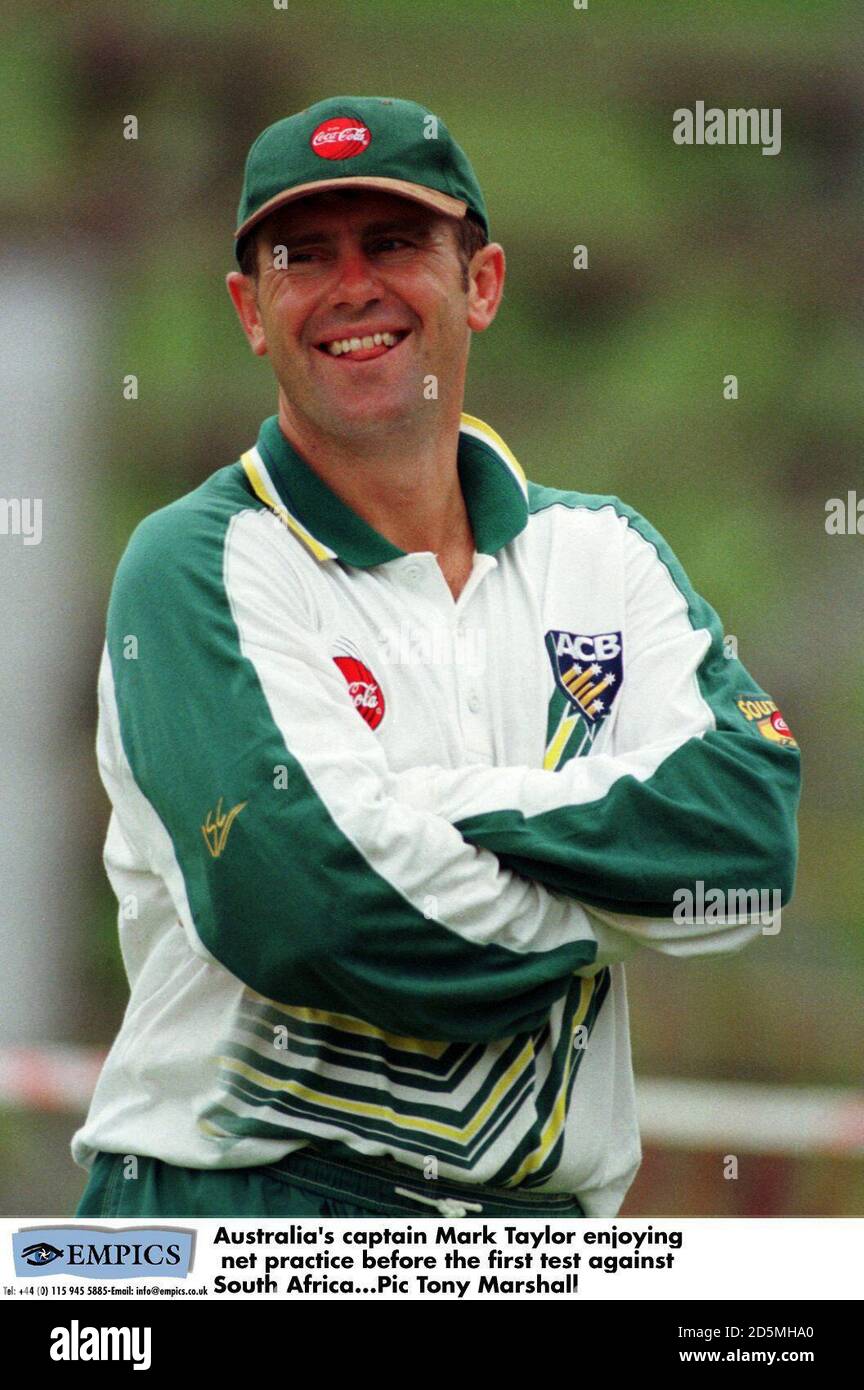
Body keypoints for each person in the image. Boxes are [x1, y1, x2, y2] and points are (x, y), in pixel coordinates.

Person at [73, 96, 800, 1219]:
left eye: (396, 243)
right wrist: (613, 894)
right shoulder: (191, 565)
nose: (351, 285)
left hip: (532, 1241)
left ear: (484, 283)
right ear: (250, 311)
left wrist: (423, 814)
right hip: (235, 1216)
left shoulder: (603, 555)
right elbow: (307, 908)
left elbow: (747, 845)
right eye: (302, 256)